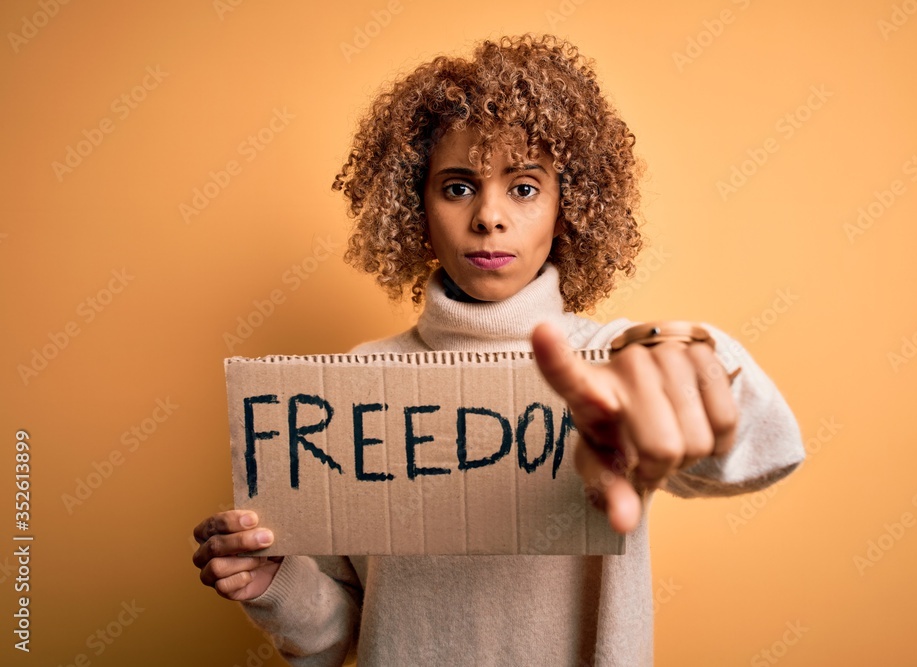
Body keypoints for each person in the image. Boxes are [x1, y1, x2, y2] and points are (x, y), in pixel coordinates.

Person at [193, 34, 805, 665]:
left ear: (568, 208)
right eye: (458, 187)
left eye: (523, 187)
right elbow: (340, 632)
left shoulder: (607, 361)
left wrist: (685, 364)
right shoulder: (357, 383)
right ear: (415, 206)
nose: (489, 216)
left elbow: (767, 446)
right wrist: (274, 586)